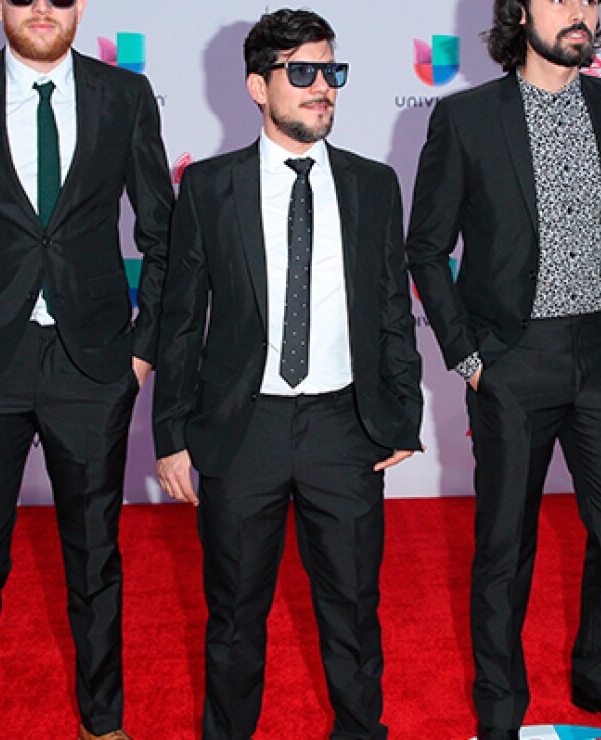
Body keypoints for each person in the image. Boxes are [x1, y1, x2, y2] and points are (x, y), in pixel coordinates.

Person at [0, 0, 173, 736]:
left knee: (95, 560)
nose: (41, 5)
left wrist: (143, 349)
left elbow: (164, 233)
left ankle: (103, 723)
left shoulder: (125, 96)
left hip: (94, 362)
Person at [405, 1, 601, 738]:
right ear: (519, 13)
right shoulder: (466, 119)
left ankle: (600, 675)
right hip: (514, 361)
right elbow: (425, 247)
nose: (580, 12)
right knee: (503, 545)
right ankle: (500, 710)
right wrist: (470, 357)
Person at [152, 9, 423, 739]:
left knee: (353, 609)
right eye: (301, 73)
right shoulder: (210, 187)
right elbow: (181, 319)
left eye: (330, 72)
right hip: (245, 429)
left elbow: (392, 309)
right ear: (256, 86)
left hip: (344, 425)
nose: (320, 88)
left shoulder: (373, 184)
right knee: (235, 613)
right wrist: (169, 435)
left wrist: (402, 412)